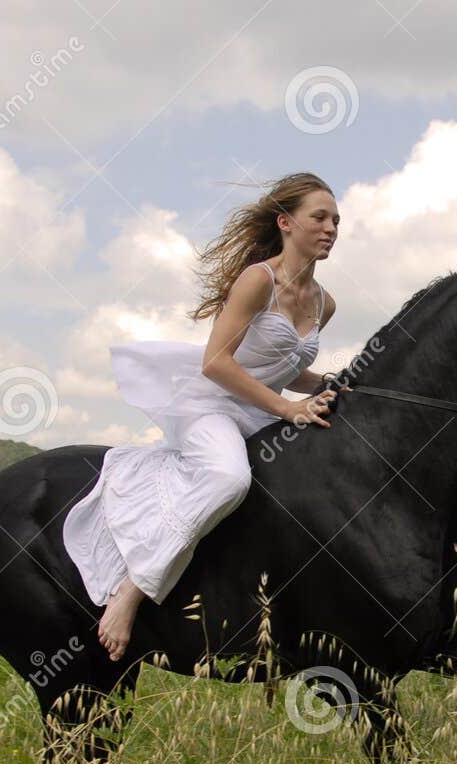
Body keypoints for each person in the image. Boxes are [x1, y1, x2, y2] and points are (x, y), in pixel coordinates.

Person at [63, 172, 341, 660]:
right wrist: (287, 409)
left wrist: (328, 385)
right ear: (285, 222)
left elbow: (290, 367)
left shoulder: (325, 302)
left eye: (337, 220)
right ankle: (131, 590)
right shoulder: (259, 280)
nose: (331, 227)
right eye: (319, 217)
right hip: (212, 404)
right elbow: (217, 362)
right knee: (228, 479)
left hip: (262, 411)